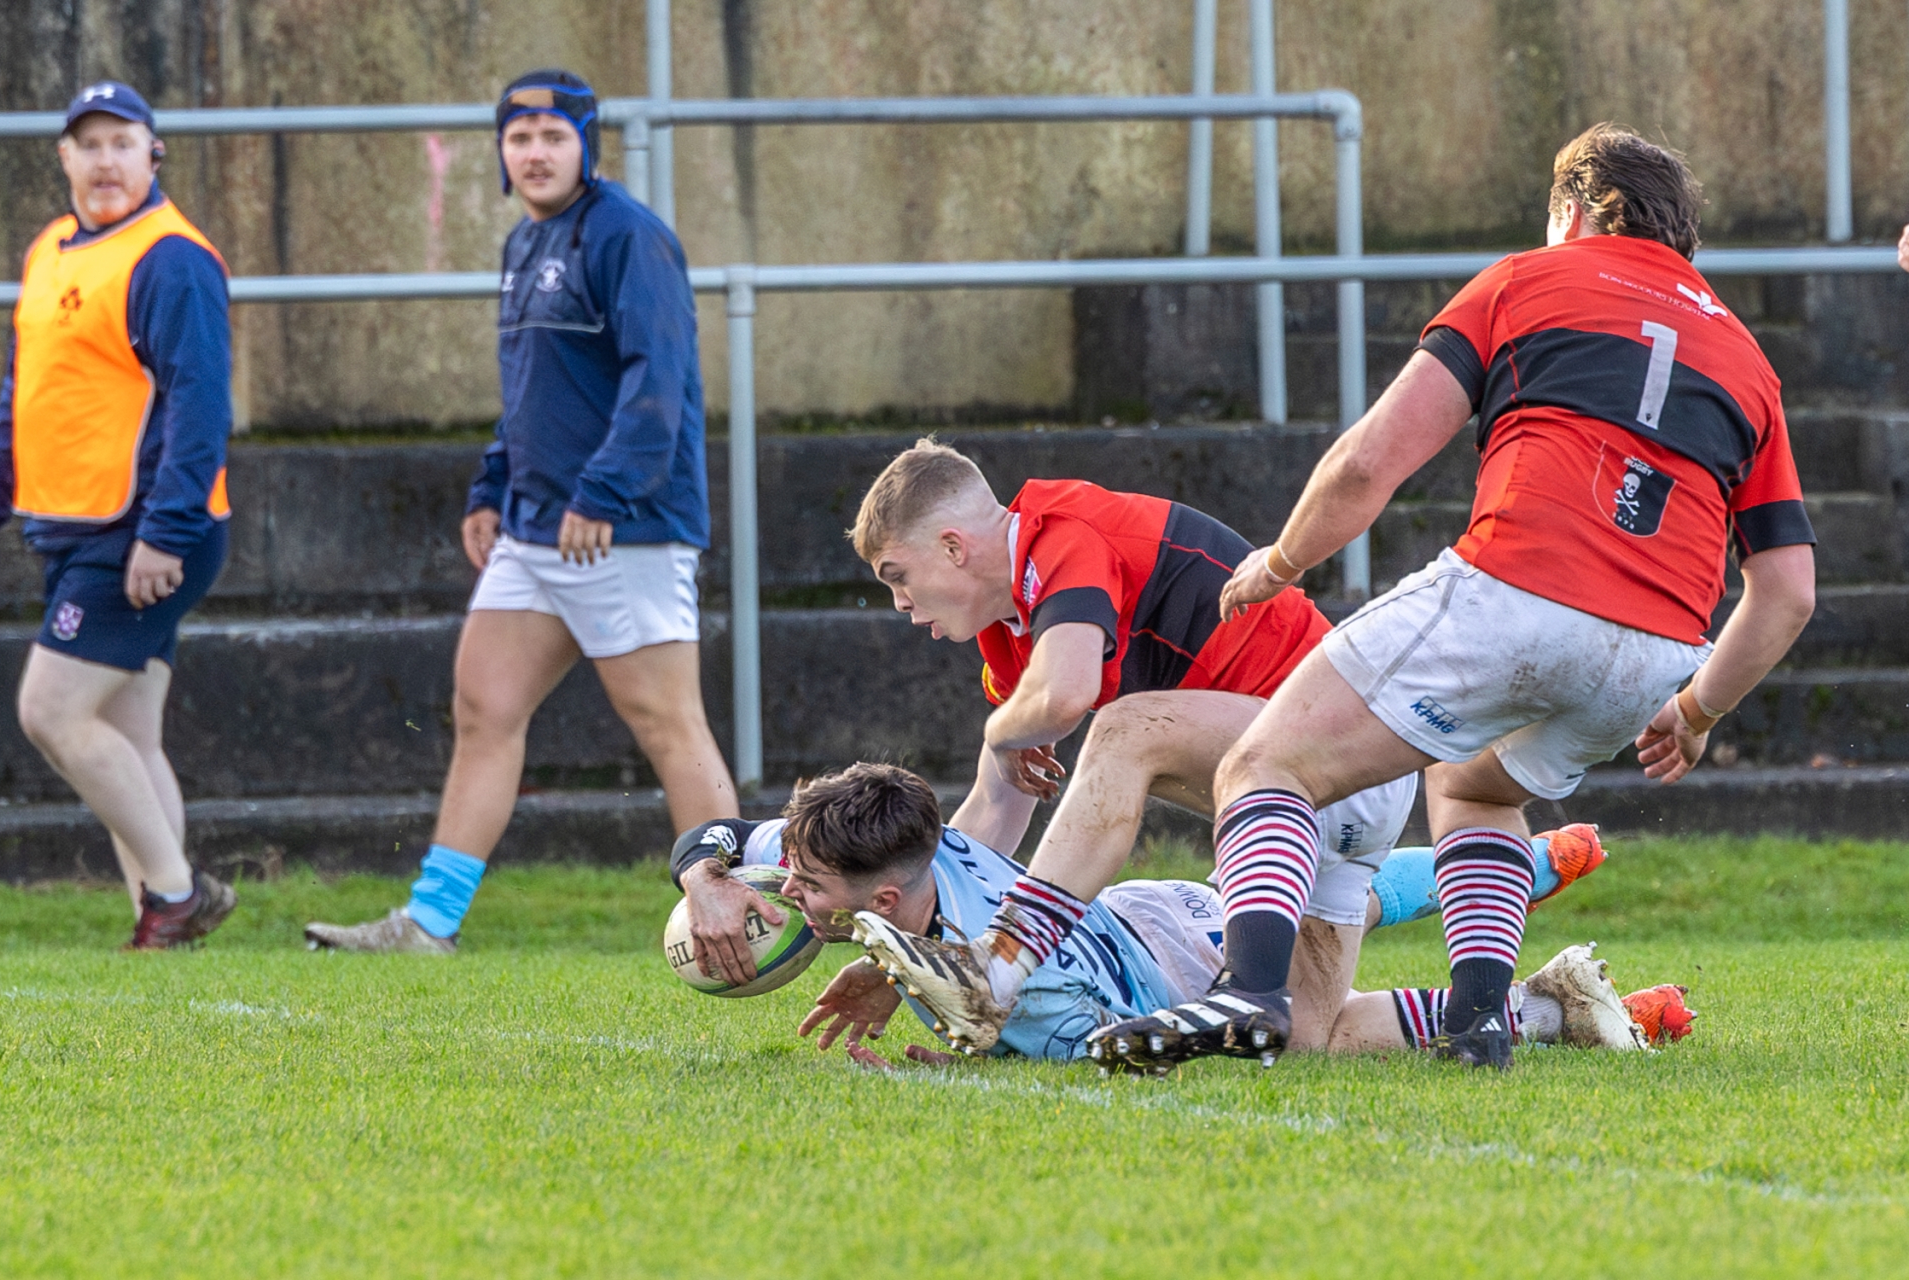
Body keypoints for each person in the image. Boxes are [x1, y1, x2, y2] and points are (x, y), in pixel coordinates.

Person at [1083, 123, 1816, 1073]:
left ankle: (1248, 997)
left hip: (1517, 588)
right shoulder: (1751, 362)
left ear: (1575, 210)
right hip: (1658, 649)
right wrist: (1698, 708)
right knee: (1473, 785)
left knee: (1267, 767)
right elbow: (1788, 592)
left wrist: (1280, 563)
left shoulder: (1525, 278)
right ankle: (1477, 1024)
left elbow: (1365, 464)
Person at [305, 69, 739, 954]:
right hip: (537, 528)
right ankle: (428, 922)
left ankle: (738, 911)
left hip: (625, 527)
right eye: (518, 137)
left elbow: (659, 383)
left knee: (667, 725)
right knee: (483, 707)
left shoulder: (630, 237)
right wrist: (491, 487)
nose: (534, 152)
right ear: (501, 154)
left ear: (587, 144)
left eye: (552, 135)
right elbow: (531, 394)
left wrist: (606, 493)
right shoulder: (522, 242)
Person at [831, 442, 1444, 1055]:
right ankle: (1527, 1009)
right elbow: (995, 808)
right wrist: (912, 949)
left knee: (1126, 730)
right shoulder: (1008, 633)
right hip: (1310, 803)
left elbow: (1069, 697)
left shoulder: (1060, 531)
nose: (900, 605)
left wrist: (1000, 734)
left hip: (1345, 751)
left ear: (952, 547)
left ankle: (1003, 959)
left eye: (897, 576)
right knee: (1304, 1040)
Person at [668, 763, 1689, 1067]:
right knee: (1332, 907)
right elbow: (715, 832)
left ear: (881, 900)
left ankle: (1554, 1003)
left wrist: (949, 1065)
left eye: (804, 889)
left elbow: (1099, 1060)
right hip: (1138, 906)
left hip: (1171, 970)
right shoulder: (880, 841)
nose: (785, 896)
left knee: (1317, 1026)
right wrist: (704, 878)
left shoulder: (1026, 990)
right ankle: (1522, 868)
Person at [0, 81, 237, 949]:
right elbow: (25, 397)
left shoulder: (171, 258)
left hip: (145, 533)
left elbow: (201, 404)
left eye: (120, 144)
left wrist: (163, 534)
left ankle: (176, 893)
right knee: (130, 734)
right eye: (87, 145)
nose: (103, 161)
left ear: (152, 154)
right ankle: (162, 918)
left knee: (50, 712)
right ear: (62, 157)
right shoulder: (52, 247)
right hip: (75, 525)